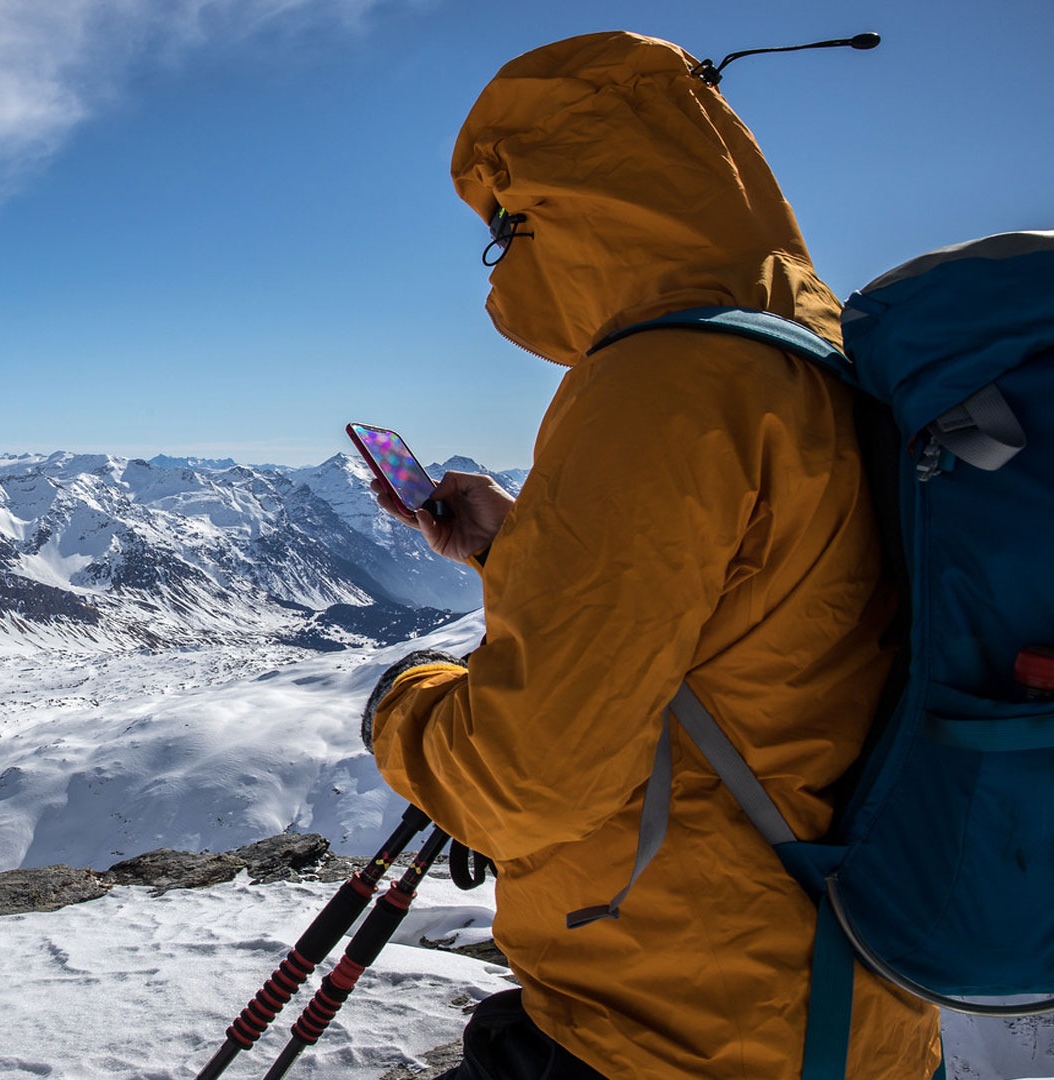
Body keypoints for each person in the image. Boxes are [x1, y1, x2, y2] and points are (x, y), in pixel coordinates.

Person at [361, 32, 943, 1078]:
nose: (500, 260)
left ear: (543, 206)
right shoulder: (815, 345)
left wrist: (403, 706)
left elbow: (526, 780)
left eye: (501, 227)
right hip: (852, 997)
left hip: (680, 1014)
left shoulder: (659, 386)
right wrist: (509, 550)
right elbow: (761, 619)